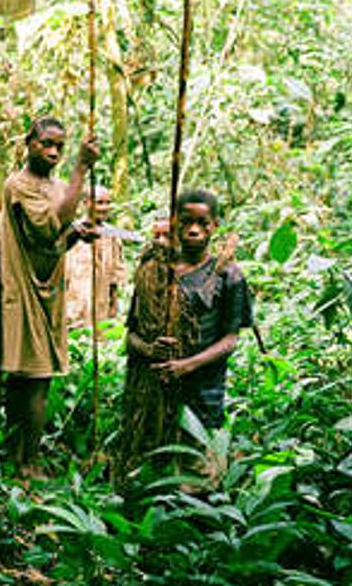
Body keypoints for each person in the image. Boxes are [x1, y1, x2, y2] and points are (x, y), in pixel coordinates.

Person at [118, 189, 252, 483]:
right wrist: (151, 350)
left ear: (215, 225)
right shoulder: (154, 272)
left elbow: (230, 340)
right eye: (186, 222)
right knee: (150, 474)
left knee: (197, 477)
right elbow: (130, 338)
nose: (193, 230)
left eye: (203, 223)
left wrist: (186, 366)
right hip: (152, 398)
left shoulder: (229, 276)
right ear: (174, 222)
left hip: (202, 395)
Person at [0, 117, 99, 479]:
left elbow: (53, 241)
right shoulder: (18, 185)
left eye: (60, 145)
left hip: (49, 289)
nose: (54, 152)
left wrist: (76, 235)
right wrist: (81, 169)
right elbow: (47, 225)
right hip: (22, 288)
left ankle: (22, 454)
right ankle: (25, 461)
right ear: (29, 143)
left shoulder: (55, 187)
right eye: (46, 144)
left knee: (36, 377)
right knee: (31, 378)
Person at [65, 185, 127, 332]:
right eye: (100, 202)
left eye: (108, 202)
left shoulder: (112, 235)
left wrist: (113, 305)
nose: (105, 207)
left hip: (101, 306)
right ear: (86, 203)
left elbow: (116, 274)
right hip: (74, 307)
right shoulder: (72, 232)